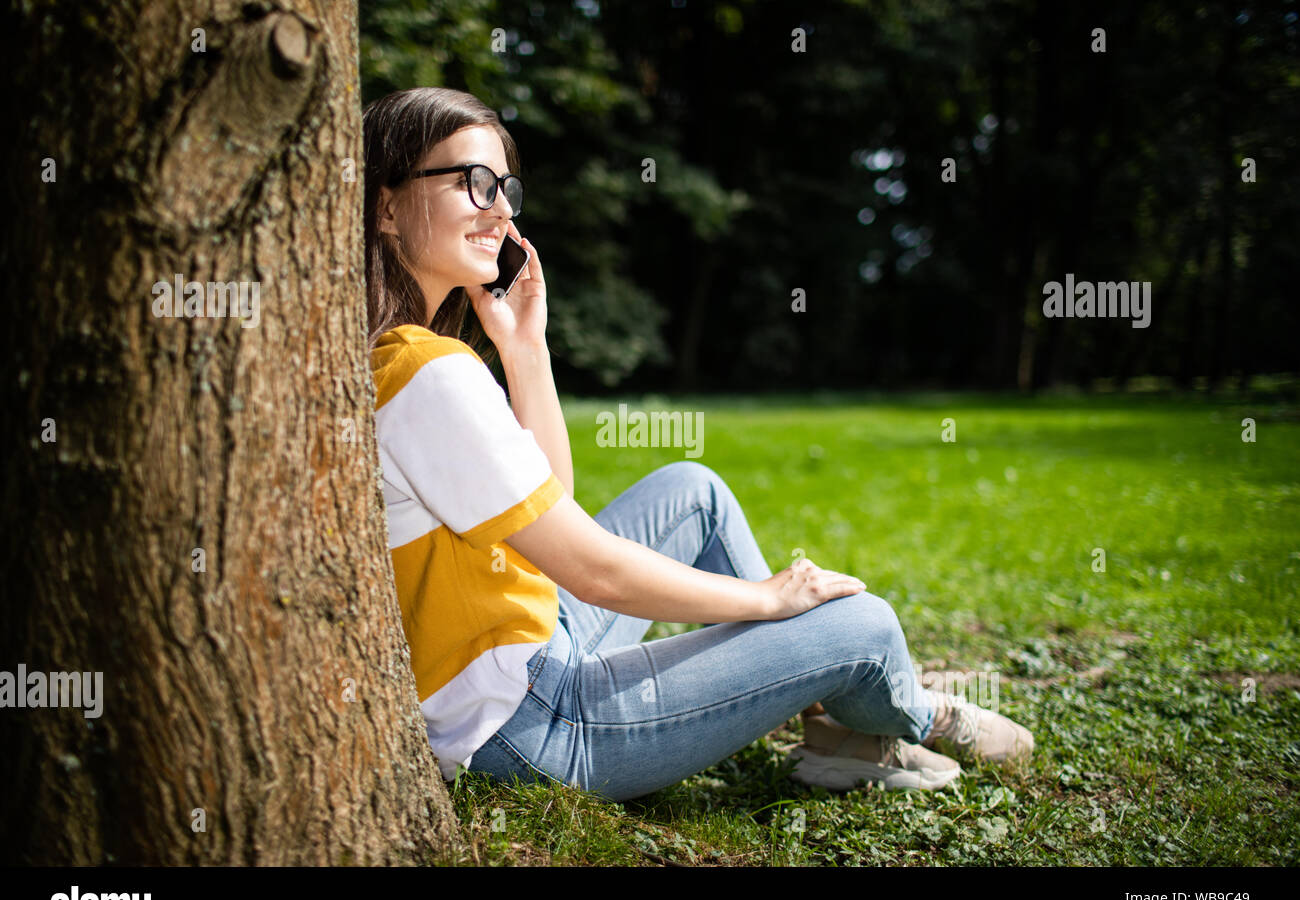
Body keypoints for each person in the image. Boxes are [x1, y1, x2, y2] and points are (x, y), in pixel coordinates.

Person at [361, 87, 1033, 803]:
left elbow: (554, 509)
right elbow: (596, 574)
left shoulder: (406, 358)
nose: (500, 209)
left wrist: (526, 349)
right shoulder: (429, 374)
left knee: (695, 493)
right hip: (535, 721)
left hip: (521, 647)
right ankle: (919, 715)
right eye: (472, 182)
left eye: (506, 188)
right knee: (862, 625)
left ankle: (833, 725)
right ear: (387, 206)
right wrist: (767, 600)